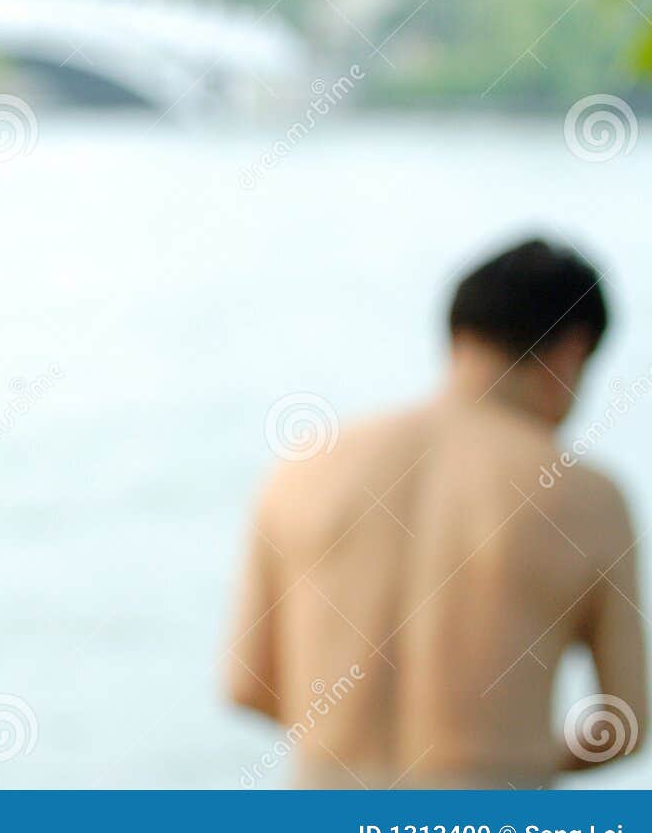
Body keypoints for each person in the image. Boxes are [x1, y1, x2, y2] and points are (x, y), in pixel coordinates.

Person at [225, 237, 646, 787]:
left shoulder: (304, 468)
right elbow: (628, 720)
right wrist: (511, 763)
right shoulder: (588, 496)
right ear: (571, 352)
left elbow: (248, 686)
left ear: (457, 335)